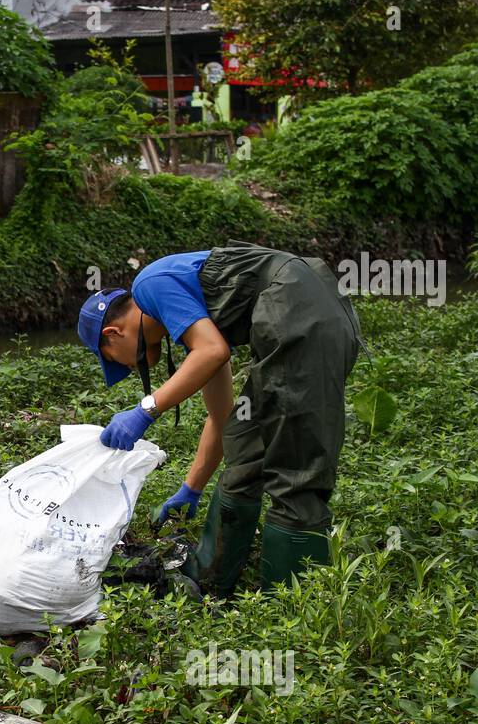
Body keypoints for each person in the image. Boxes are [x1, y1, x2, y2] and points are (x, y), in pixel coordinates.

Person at [77, 241, 362, 594]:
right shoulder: (197, 324)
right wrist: (190, 489)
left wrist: (146, 409)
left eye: (112, 359)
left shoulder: (148, 285)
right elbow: (221, 415)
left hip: (301, 309)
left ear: (113, 334)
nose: (126, 366)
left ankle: (292, 605)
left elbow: (213, 352)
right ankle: (212, 582)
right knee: (245, 439)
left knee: (296, 463)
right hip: (302, 306)